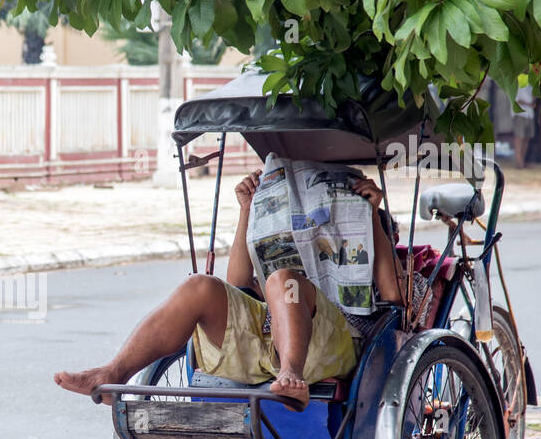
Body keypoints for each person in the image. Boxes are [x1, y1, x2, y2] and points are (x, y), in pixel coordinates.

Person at [54, 168, 426, 409]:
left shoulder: (380, 235)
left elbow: (393, 297)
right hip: (266, 335)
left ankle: (290, 376)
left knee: (285, 279)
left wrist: (373, 217)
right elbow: (235, 286)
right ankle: (114, 371)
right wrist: (248, 209)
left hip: (334, 345)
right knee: (200, 286)